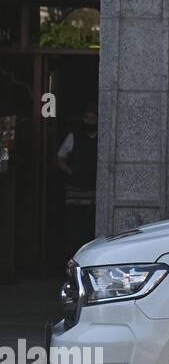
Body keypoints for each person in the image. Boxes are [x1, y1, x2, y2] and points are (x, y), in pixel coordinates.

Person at [57, 101, 98, 254]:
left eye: (93, 118)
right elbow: (60, 159)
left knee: (90, 230)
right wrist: (72, 173)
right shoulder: (73, 137)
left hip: (94, 192)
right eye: (87, 118)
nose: (89, 121)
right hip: (75, 193)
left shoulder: (102, 139)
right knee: (74, 231)